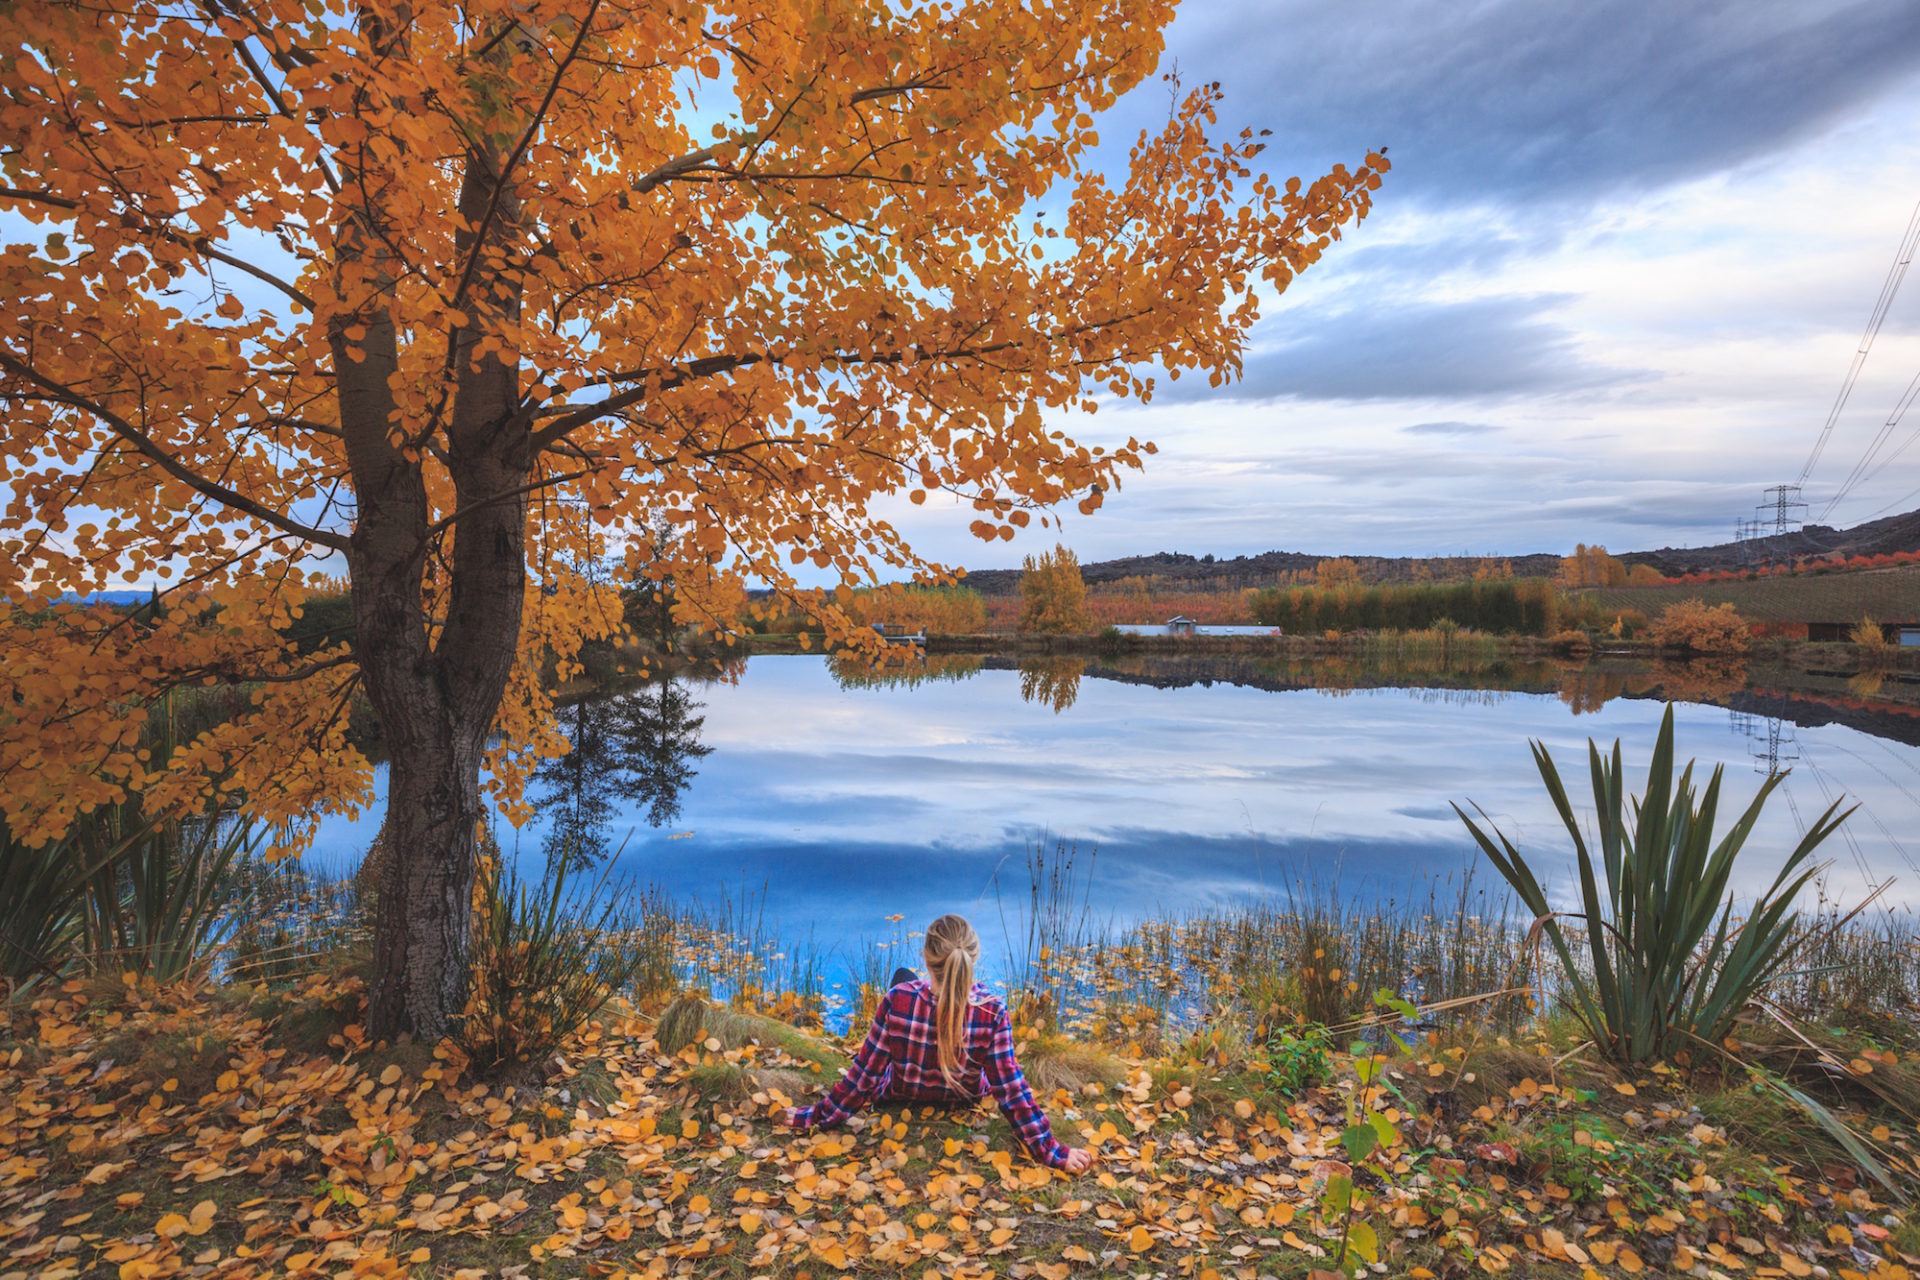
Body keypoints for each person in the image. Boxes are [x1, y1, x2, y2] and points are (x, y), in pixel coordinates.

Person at [780, 913, 1094, 1173]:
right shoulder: (992, 1010)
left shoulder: (897, 1000)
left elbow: (863, 1077)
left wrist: (816, 1116)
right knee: (992, 1057)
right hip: (965, 1095)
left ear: (927, 960)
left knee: (902, 978)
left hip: (902, 1092)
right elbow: (1011, 1090)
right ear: (973, 958)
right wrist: (1051, 1151)